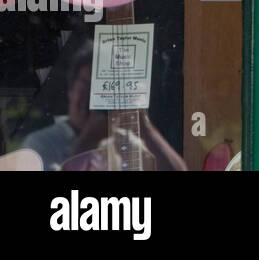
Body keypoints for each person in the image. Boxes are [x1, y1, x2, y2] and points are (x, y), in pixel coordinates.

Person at [20, 42, 186, 171]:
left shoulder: (124, 140)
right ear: (71, 89)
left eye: (100, 88)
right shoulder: (42, 143)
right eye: (87, 86)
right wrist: (89, 139)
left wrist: (145, 128)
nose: (92, 98)